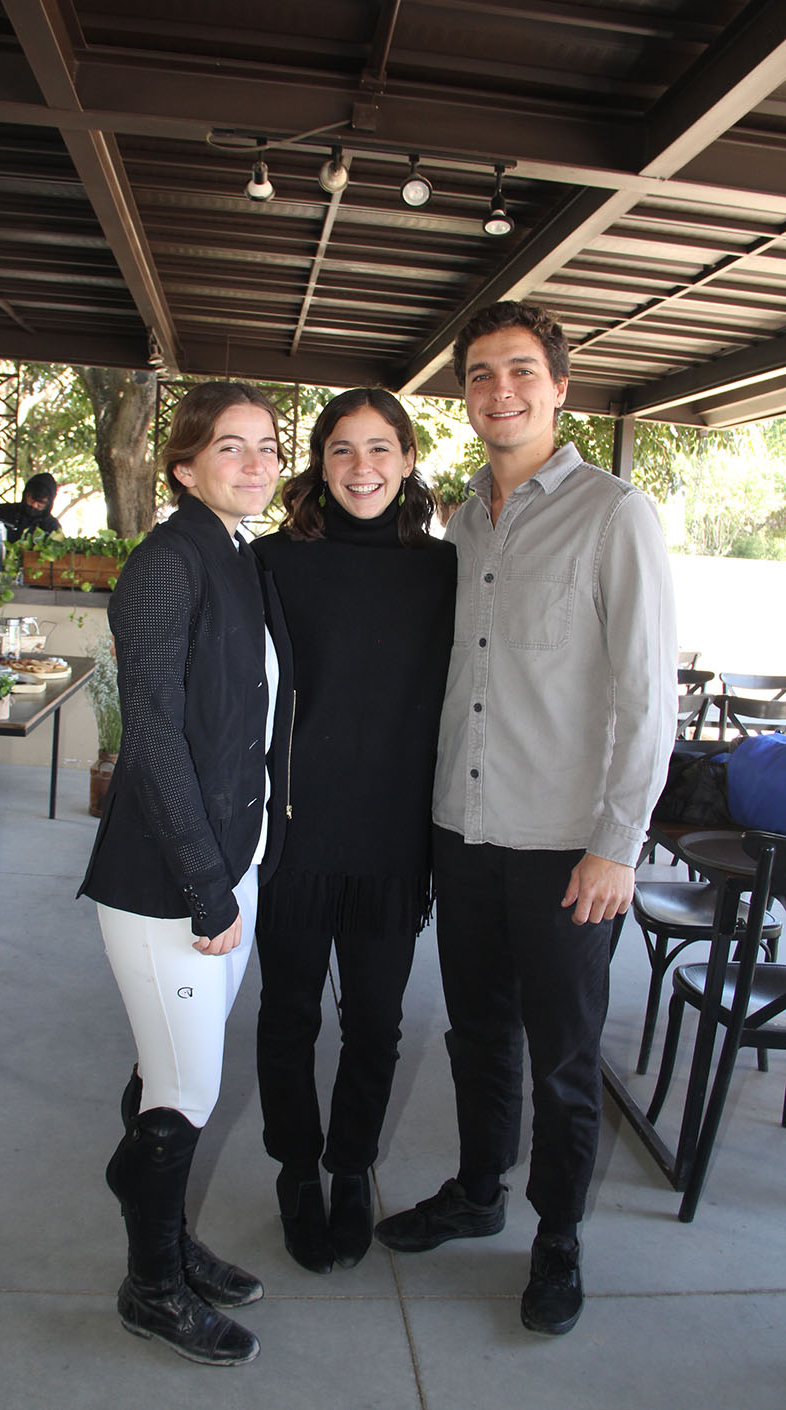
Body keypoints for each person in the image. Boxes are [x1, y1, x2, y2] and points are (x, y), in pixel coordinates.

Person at [374, 302, 677, 1335]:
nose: (497, 390)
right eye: (478, 375)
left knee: (562, 1055)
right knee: (476, 1034)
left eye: (518, 371)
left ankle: (555, 1237)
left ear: (558, 386)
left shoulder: (612, 512)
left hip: (565, 849)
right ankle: (475, 1191)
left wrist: (615, 844)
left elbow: (647, 697)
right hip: (462, 834)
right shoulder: (458, 522)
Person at [78, 381, 292, 1366]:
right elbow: (153, 735)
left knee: (167, 1072)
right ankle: (150, 1286)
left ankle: (160, 1226)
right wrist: (208, 883)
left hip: (228, 864)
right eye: (231, 448)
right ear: (185, 465)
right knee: (188, 1088)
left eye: (267, 447)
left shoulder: (237, 554)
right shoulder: (170, 562)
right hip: (169, 879)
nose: (255, 464)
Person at [252, 388, 457, 1274]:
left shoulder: (445, 570)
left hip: (392, 840)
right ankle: (297, 1169)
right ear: (319, 463)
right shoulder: (273, 563)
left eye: (380, 449)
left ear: (409, 461)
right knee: (288, 1016)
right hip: (295, 837)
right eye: (342, 449)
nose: (362, 467)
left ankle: (349, 1167)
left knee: (376, 1021)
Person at [0, 471, 61, 541]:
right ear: (25, 495)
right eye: (31, 499)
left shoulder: (52, 526)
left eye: (40, 503)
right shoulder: (2, 512)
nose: (34, 505)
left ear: (49, 503)